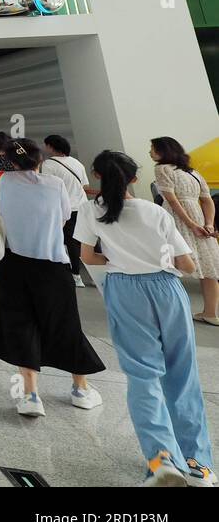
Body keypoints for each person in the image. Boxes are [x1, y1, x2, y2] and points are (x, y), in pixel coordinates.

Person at [79, 150, 213, 487]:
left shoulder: (91, 210)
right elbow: (187, 265)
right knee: (182, 374)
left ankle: (161, 459)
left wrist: (115, 255)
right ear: (135, 178)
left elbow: (87, 257)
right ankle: (199, 465)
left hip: (125, 290)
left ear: (98, 176)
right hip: (167, 289)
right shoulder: (156, 212)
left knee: (143, 375)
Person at [0, 138, 104, 417]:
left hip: (11, 264)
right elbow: (64, 219)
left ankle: (31, 396)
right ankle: (81, 389)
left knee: (21, 324)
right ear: (40, 160)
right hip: (52, 265)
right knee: (65, 324)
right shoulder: (55, 185)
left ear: (7, 160)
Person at [151, 136, 219, 325]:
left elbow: (172, 200)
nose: (150, 152)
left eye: (153, 148)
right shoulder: (193, 172)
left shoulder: (162, 169)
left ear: (163, 151)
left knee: (168, 264)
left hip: (177, 219)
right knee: (209, 268)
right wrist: (209, 224)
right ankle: (211, 313)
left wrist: (190, 225)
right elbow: (207, 200)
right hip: (199, 218)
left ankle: (170, 314)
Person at [42, 134, 93, 288]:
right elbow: (84, 187)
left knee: (66, 242)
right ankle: (90, 275)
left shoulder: (49, 165)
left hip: (63, 209)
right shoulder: (76, 163)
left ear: (51, 146)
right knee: (83, 242)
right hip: (82, 207)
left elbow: (47, 188)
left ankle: (75, 275)